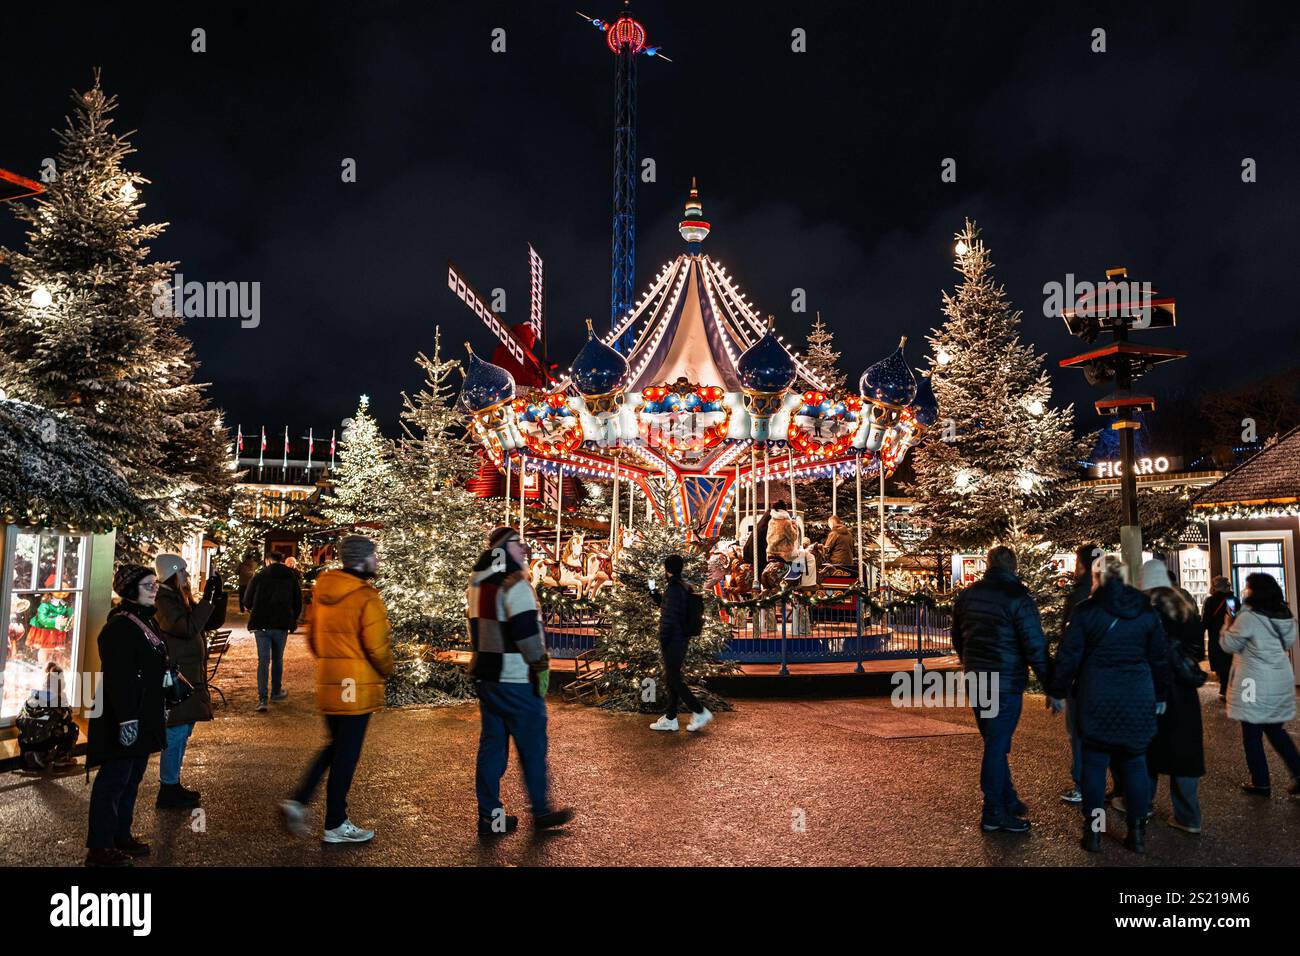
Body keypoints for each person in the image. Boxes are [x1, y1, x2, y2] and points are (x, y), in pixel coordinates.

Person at [1048, 557, 1168, 854]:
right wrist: (1160, 695)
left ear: (1097, 578)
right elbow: (1159, 658)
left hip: (1096, 695)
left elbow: (1069, 656)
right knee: (1135, 763)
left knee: (1094, 765)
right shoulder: (1145, 610)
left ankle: (1095, 832)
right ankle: (1136, 833)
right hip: (1137, 695)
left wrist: (1057, 691)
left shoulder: (1086, 611)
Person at [280, 535, 394, 844]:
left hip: (332, 682)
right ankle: (335, 823)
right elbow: (378, 647)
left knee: (335, 747)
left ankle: (299, 800)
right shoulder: (365, 596)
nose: (377, 560)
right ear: (362, 559)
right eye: (374, 555)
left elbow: (314, 638)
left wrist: (333, 663)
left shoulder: (324, 590)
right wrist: (388, 669)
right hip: (356, 685)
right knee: (346, 755)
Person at [466, 527, 574, 835]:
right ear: (505, 547)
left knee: (493, 747)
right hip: (515, 678)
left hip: (487, 677)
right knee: (532, 746)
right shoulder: (516, 585)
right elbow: (527, 636)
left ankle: (490, 816)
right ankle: (541, 812)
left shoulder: (477, 583)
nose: (523, 550)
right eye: (518, 544)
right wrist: (541, 668)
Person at [951, 546, 1051, 834]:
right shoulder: (1018, 598)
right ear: (1014, 567)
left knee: (994, 741)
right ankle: (993, 811)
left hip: (978, 678)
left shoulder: (968, 595)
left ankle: (1006, 798)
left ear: (988, 564)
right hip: (1005, 680)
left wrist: (969, 661)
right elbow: (1034, 645)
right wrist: (1051, 685)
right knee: (996, 745)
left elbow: (958, 636)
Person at [84, 565, 169, 866]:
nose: (154, 588)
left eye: (155, 584)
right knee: (114, 780)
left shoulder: (146, 620)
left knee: (132, 777)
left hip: (143, 713)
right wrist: (127, 720)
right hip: (123, 717)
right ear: (131, 589)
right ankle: (100, 846)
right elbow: (118, 677)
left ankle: (121, 834)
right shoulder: (120, 626)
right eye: (148, 585)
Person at [1139, 559, 1206, 834]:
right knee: (1184, 752)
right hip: (1185, 692)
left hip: (1153, 688)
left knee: (1146, 751)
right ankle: (1188, 816)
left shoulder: (1145, 609)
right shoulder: (1186, 605)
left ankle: (1142, 804)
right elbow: (1197, 653)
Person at [1219, 572, 1300, 798]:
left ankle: (1261, 782)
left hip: (1251, 682)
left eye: (1248, 587)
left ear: (1255, 591)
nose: (1245, 591)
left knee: (1251, 734)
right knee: (1276, 730)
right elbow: (1289, 641)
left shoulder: (1249, 617)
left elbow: (1228, 644)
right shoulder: (1285, 614)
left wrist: (1227, 623)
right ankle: (1298, 773)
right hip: (1280, 677)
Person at [152, 554, 222, 810]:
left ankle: (173, 783)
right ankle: (168, 786)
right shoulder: (164, 600)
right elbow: (187, 628)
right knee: (177, 731)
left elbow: (206, 622)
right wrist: (207, 600)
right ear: (171, 573)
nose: (187, 575)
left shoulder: (176, 597)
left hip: (190, 672)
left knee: (183, 730)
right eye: (182, 571)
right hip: (178, 675)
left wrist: (215, 598)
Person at [648, 553, 714, 733]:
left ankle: (699, 711)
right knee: (672, 677)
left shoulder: (674, 588)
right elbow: (666, 605)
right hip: (681, 638)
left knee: (674, 679)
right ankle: (670, 717)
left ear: (666, 569)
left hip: (673, 640)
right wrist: (653, 592)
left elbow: (669, 617)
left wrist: (664, 638)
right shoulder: (682, 586)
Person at [1059, 544, 1100, 806]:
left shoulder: (1078, 598)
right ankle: (1121, 791)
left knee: (1078, 732)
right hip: (1111, 677)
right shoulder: (1118, 595)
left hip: (1082, 677)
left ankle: (1083, 785)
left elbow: (1070, 644)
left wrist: (1058, 683)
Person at [244, 551, 304, 711]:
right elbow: (298, 601)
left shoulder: (259, 576)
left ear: (267, 561)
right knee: (278, 659)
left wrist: (253, 610)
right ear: (281, 561)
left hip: (261, 624)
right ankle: (276, 691)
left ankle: (262, 699)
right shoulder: (290, 576)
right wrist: (292, 617)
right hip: (281, 624)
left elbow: (247, 600)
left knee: (263, 661)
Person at [1202, 576, 1238, 699]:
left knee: (1221, 663)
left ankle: (1224, 688)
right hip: (1231, 635)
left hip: (1216, 637)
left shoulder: (1210, 601)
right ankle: (1229, 687)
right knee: (1229, 661)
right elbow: (1234, 616)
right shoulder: (1232, 600)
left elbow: (1206, 620)